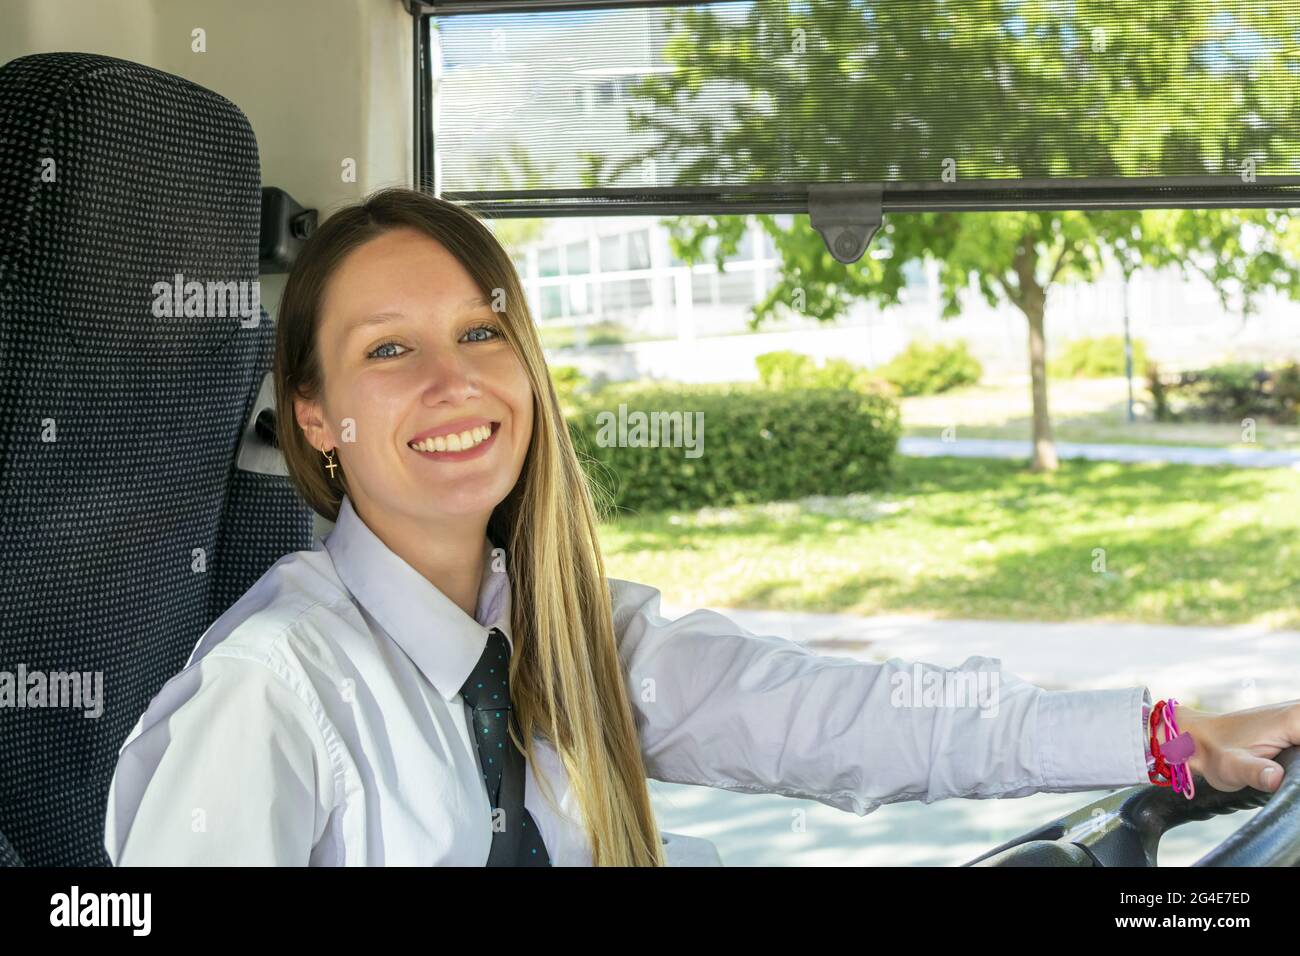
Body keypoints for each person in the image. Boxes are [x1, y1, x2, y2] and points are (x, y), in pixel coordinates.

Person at [103, 187, 1300, 866]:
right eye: (387, 349)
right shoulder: (275, 690)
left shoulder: (573, 634)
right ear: (315, 417)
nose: (454, 382)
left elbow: (855, 719)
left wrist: (1153, 736)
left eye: (481, 332)